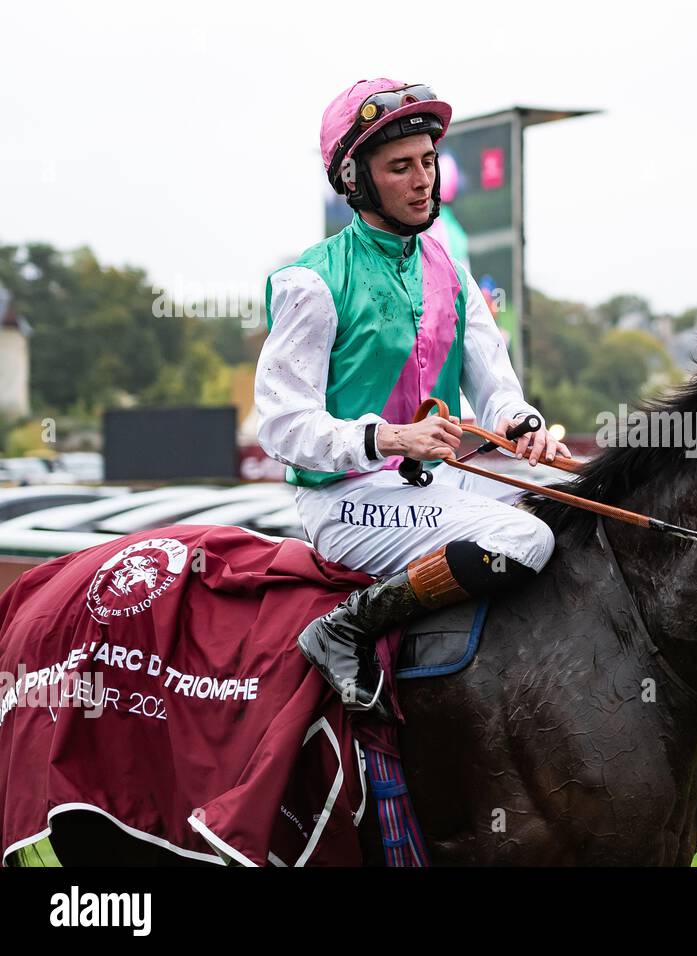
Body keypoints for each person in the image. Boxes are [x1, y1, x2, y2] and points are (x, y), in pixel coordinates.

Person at [254, 79, 569, 721]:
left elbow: (494, 384)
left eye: (428, 162)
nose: (423, 180)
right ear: (357, 181)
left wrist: (525, 424)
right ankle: (343, 628)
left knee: (572, 511)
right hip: (348, 501)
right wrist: (388, 438)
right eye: (401, 167)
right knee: (526, 540)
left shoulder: (448, 268)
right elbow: (282, 426)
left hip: (430, 491)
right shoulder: (312, 281)